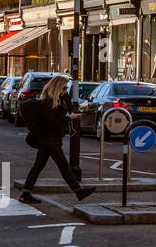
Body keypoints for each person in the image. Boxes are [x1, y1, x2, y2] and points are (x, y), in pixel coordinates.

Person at [18, 75, 97, 204]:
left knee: (38, 166)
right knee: (63, 165)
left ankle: (26, 193)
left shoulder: (58, 100)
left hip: (49, 138)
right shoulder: (49, 102)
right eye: (64, 87)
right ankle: (78, 191)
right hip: (49, 138)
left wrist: (66, 98)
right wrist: (69, 118)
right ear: (58, 87)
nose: (66, 90)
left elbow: (68, 109)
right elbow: (52, 121)